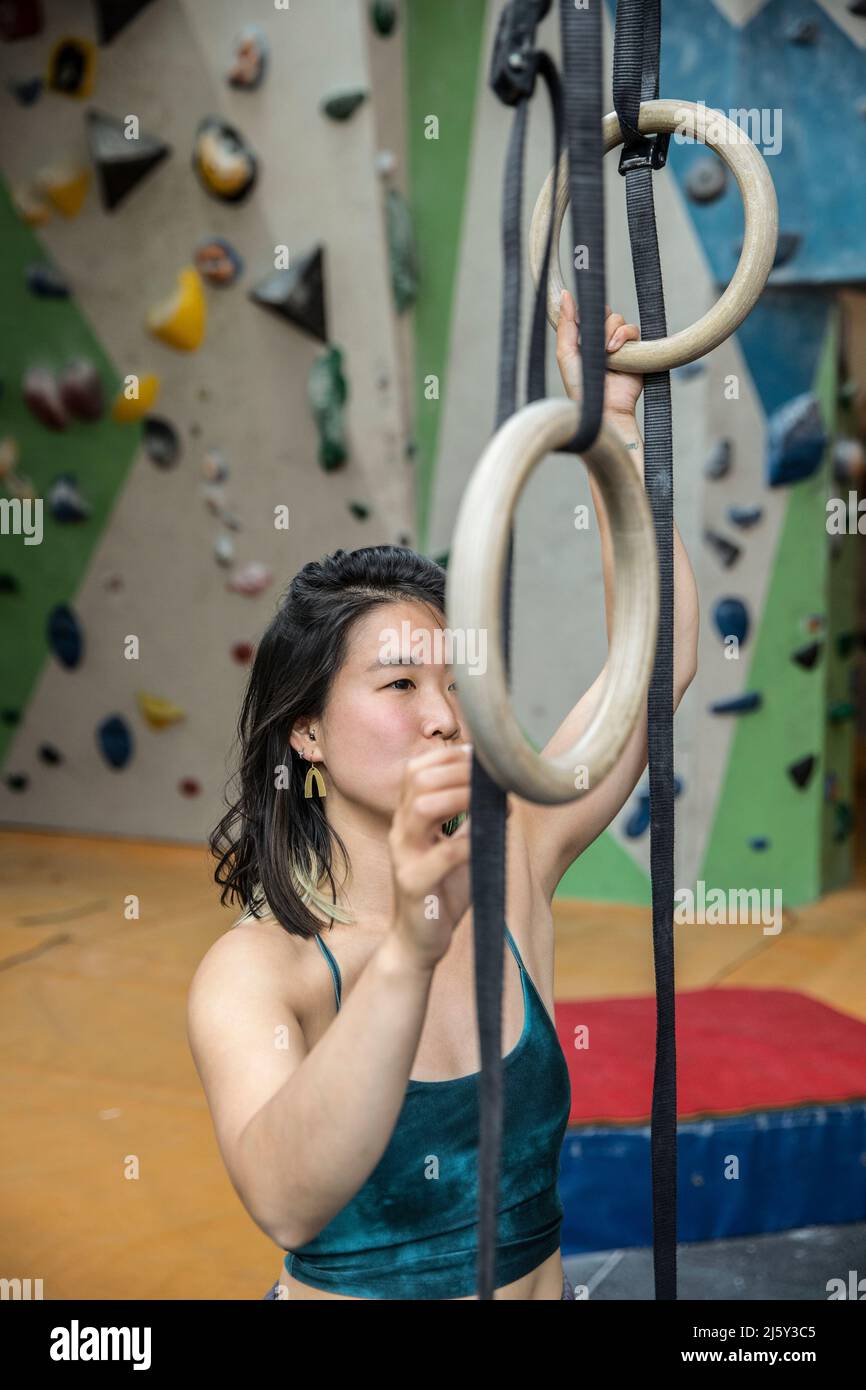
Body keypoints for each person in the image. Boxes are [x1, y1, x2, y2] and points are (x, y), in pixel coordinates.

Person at [187, 291, 700, 1299]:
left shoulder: (513, 868)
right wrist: (411, 951)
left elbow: (656, 664)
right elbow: (286, 1201)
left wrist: (615, 438)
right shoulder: (256, 972)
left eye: (454, 687)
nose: (443, 717)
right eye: (397, 685)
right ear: (306, 732)